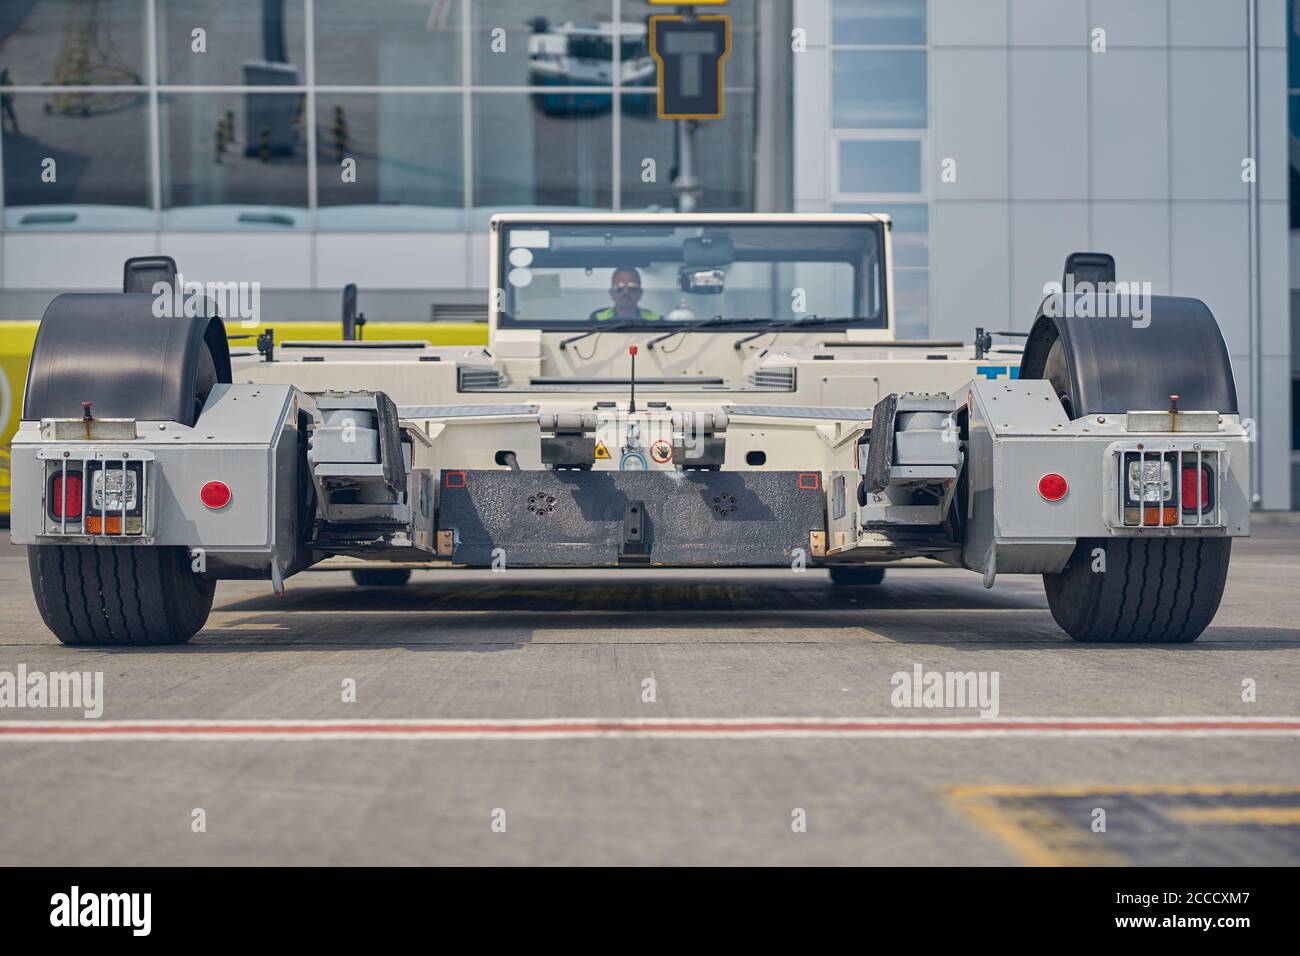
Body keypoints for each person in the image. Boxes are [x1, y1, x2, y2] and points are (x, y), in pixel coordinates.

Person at [588, 266, 661, 321]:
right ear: (611, 293)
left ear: (640, 293)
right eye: (619, 288)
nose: (626, 292)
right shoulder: (597, 318)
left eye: (632, 288)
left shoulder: (655, 319)